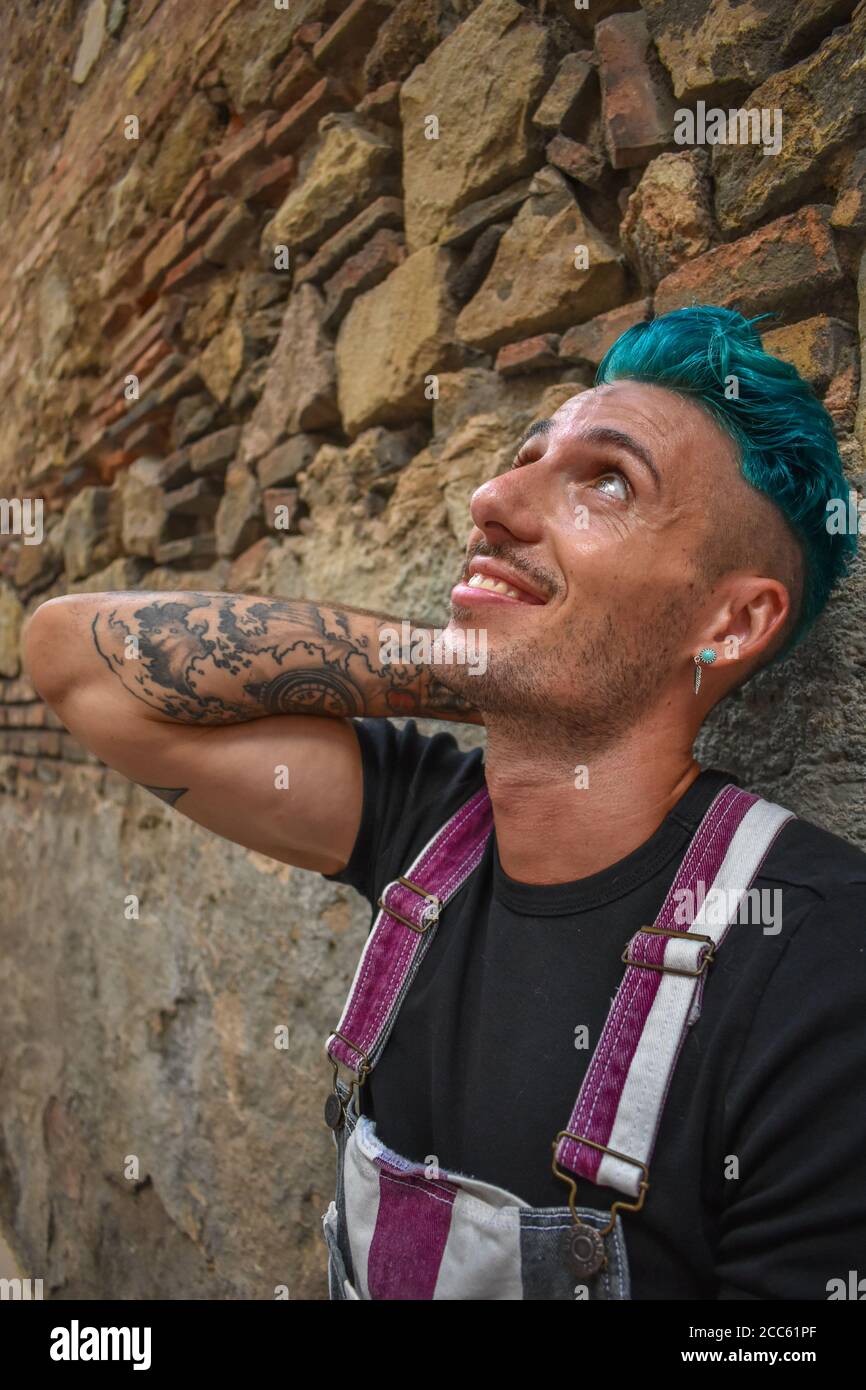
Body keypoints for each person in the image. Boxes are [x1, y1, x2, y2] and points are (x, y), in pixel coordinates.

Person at [24, 305, 866, 1301]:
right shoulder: (428, 828)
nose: (490, 498)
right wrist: (465, 658)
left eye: (606, 481)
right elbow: (71, 655)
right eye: (523, 457)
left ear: (729, 622)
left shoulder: (819, 966)